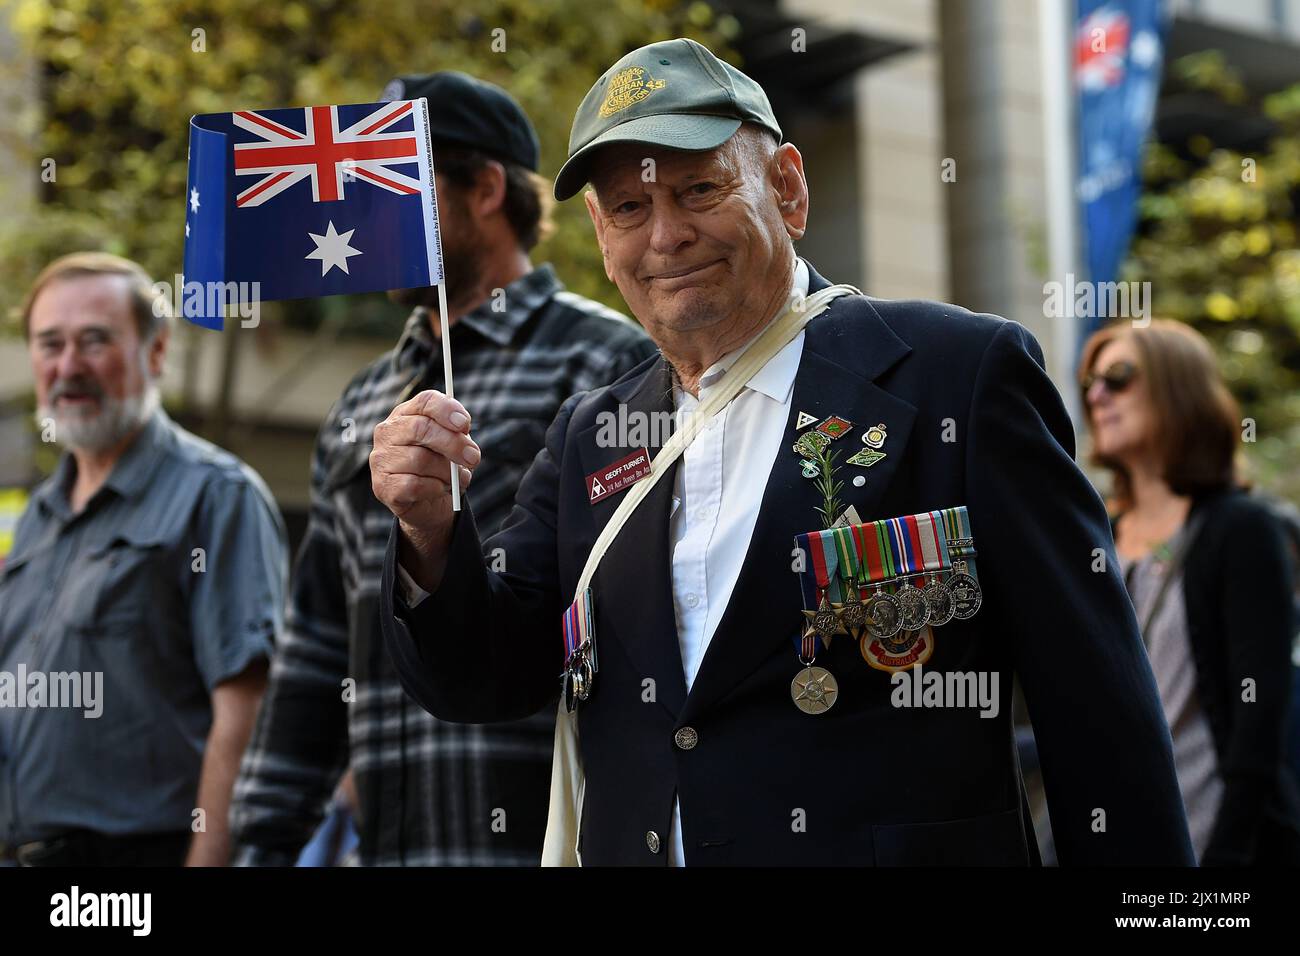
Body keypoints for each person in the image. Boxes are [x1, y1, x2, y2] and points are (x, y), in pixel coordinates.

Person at [373, 39, 1195, 865]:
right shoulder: (592, 435)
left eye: (699, 188)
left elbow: (1096, 707)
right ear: (600, 232)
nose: (666, 235)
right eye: (629, 207)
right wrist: (429, 534)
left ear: (788, 190)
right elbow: (484, 678)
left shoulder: (958, 376)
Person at [229, 72, 655, 866]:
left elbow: (643, 625)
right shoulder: (363, 398)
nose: (366, 220)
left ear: (487, 189)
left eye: (393, 188)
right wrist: (264, 836)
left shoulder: (613, 364)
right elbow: (318, 641)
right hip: (388, 843)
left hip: (550, 837)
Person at [0, 252, 286, 866]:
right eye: (50, 344)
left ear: (156, 353)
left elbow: (246, 716)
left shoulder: (216, 498)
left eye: (94, 342)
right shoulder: (37, 519)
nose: (68, 366)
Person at [1079, 320, 1300, 865]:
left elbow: (1258, 729)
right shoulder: (1093, 535)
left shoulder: (1242, 529)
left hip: (1210, 845)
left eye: (1119, 376)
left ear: (1179, 388)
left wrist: (1225, 862)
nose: (1096, 394)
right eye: (1090, 383)